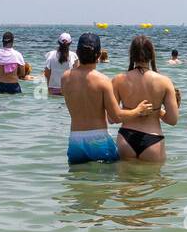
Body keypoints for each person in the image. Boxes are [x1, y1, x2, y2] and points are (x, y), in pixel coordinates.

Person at [61, 33, 153, 164]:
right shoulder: (103, 81)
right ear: (98, 56)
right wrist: (138, 110)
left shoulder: (65, 78)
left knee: (77, 181)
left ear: (77, 53)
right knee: (107, 180)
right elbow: (115, 117)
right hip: (99, 140)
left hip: (75, 139)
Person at [110, 36, 180, 162]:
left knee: (125, 181)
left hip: (126, 137)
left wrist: (134, 111)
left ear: (131, 54)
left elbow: (111, 118)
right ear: (152, 55)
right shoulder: (164, 81)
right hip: (153, 140)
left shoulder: (118, 80)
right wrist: (158, 111)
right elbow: (173, 120)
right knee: (153, 180)